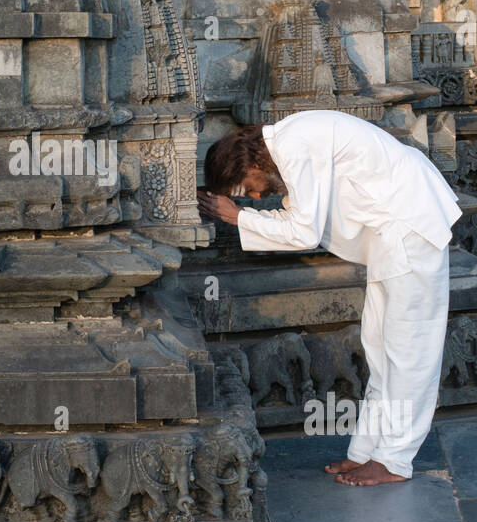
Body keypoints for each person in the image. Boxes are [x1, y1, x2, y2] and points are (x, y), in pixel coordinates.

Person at [196, 109, 462, 486]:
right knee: (380, 348)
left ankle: (395, 459)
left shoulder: (293, 144)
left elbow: (303, 233)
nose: (256, 195)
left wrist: (239, 217)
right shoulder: (291, 148)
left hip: (411, 228)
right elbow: (297, 222)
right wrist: (240, 216)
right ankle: (369, 452)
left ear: (249, 162)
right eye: (248, 195)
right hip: (393, 236)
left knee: (409, 352)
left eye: (247, 187)